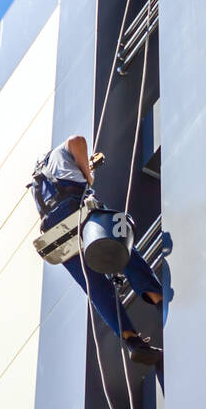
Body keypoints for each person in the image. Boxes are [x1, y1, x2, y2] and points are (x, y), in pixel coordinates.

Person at [32, 134, 165, 365]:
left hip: (57, 235)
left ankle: (132, 341)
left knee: (96, 288)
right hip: (75, 212)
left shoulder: (37, 183)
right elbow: (77, 140)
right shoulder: (57, 154)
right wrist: (88, 173)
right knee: (120, 247)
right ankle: (157, 297)